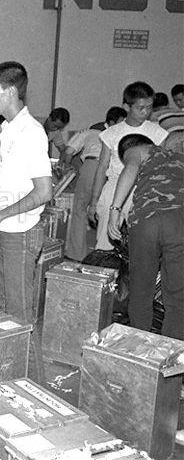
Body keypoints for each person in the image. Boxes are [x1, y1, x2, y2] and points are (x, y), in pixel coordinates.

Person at [0, 61, 52, 326]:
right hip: (4, 230)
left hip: (21, 233)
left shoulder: (31, 132)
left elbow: (43, 192)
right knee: (0, 306)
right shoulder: (7, 128)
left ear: (11, 91)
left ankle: (29, 369)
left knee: (19, 313)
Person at [108, 134, 183, 340]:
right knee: (177, 294)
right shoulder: (176, 155)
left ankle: (138, 347)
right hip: (179, 221)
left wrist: (115, 210)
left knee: (141, 287)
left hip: (147, 221)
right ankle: (171, 357)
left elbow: (130, 169)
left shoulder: (137, 150)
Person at [89, 82, 168, 252]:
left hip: (144, 188)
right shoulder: (111, 133)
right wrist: (94, 201)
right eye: (140, 108)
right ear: (126, 106)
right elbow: (102, 169)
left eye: (149, 107)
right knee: (105, 240)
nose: (145, 112)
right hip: (114, 186)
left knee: (141, 244)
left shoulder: (158, 133)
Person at [61, 106, 125, 261]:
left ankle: (76, 253)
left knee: (80, 210)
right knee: (106, 210)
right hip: (114, 171)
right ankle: (105, 253)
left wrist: (68, 168)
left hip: (92, 166)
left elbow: (68, 152)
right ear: (110, 122)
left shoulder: (88, 132)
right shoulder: (121, 135)